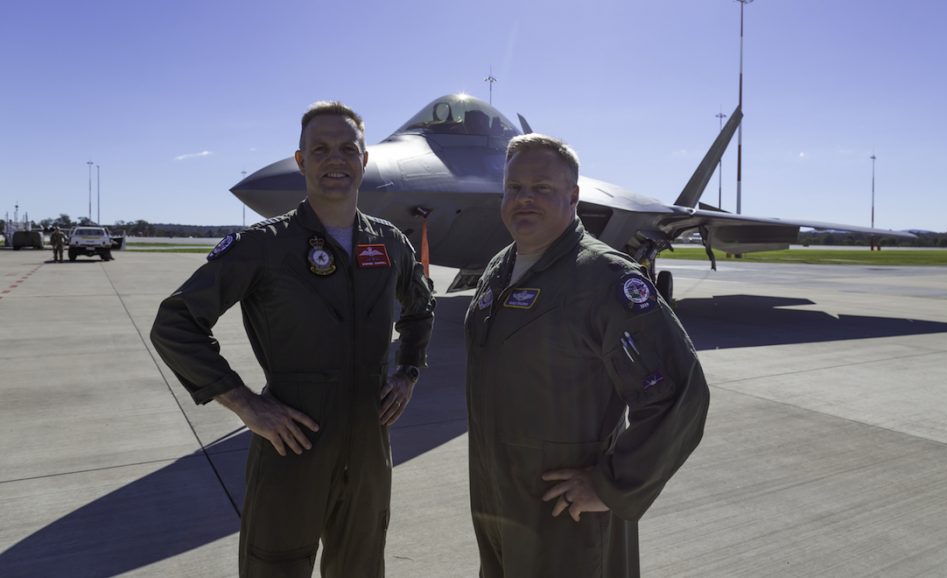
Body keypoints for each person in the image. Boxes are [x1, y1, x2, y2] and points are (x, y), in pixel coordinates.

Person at [150, 101, 435, 578]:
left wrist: (407, 373)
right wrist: (244, 404)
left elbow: (421, 308)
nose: (335, 159)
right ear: (301, 161)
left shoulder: (387, 244)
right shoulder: (265, 245)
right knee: (274, 568)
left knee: (362, 567)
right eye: (319, 149)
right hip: (292, 442)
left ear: (364, 161)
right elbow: (175, 323)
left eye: (348, 148)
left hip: (368, 446)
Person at [464, 134, 710, 577]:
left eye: (541, 188)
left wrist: (612, 486)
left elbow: (680, 395)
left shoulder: (603, 279)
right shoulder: (498, 270)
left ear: (573, 196)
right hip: (497, 503)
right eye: (514, 187)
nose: (524, 199)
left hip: (566, 518)